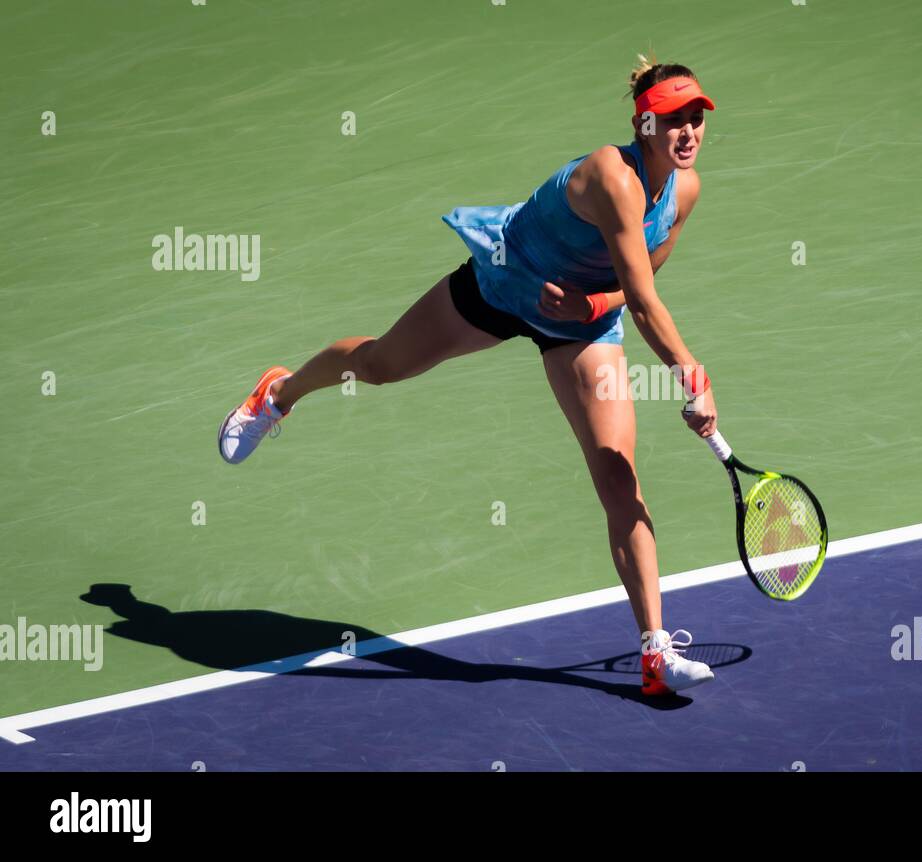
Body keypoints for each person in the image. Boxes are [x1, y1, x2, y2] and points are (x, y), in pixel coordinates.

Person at [218, 56, 719, 696]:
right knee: (378, 366)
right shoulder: (612, 178)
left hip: (580, 323)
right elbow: (648, 304)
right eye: (673, 119)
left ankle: (654, 652)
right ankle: (279, 394)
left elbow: (642, 280)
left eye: (696, 118)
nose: (688, 132)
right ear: (642, 123)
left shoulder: (685, 191)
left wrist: (589, 307)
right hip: (505, 283)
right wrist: (692, 379)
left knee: (618, 475)